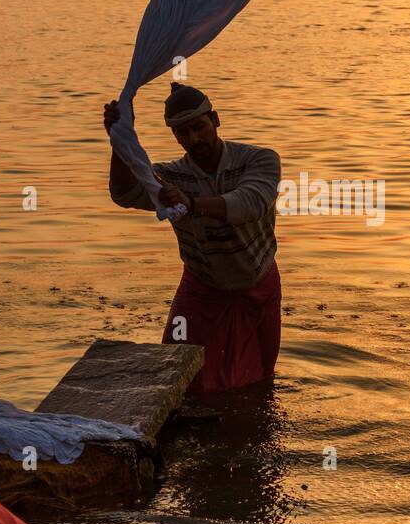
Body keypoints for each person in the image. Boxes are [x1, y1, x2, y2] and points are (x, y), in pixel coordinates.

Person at [106, 84, 282, 395]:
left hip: (258, 286)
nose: (193, 139)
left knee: (259, 378)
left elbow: (249, 203)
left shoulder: (260, 160)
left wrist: (192, 203)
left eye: (199, 127)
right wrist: (120, 139)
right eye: (183, 133)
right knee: (176, 369)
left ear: (215, 119)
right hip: (202, 287)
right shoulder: (169, 177)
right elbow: (124, 193)